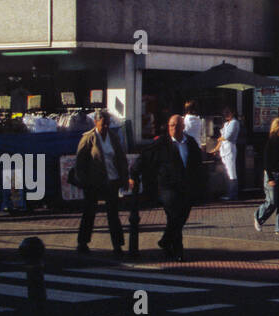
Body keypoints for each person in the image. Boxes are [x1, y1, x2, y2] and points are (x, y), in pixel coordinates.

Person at [131, 114, 205, 261]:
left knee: (180, 218)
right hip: (167, 187)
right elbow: (144, 157)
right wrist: (133, 174)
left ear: (183, 127)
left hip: (186, 187)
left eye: (177, 126)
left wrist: (200, 184)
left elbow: (197, 165)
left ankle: (165, 241)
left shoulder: (190, 142)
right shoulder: (161, 143)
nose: (174, 129)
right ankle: (178, 251)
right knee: (174, 215)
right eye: (171, 125)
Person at [75, 110, 129, 255]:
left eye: (108, 124)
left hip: (112, 180)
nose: (105, 127)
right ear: (96, 122)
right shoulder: (88, 138)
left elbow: (121, 159)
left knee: (113, 215)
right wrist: (83, 181)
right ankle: (83, 242)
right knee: (89, 212)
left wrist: (124, 179)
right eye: (103, 124)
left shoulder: (113, 137)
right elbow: (80, 162)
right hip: (94, 182)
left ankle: (117, 245)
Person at [254, 117, 279, 236]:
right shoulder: (271, 141)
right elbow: (266, 161)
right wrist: (270, 177)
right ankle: (259, 216)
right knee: (273, 201)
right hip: (273, 174)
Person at [213, 107, 241, 201]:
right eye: (225, 113)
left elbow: (227, 136)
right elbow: (222, 138)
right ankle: (229, 193)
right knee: (226, 172)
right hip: (224, 150)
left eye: (228, 112)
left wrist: (220, 138)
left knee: (231, 172)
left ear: (233, 112)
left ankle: (233, 195)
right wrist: (215, 149)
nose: (226, 114)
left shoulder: (235, 123)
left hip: (230, 148)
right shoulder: (225, 124)